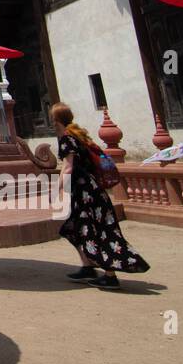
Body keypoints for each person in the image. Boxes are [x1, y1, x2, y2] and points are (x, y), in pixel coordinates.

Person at [51, 102, 149, 289]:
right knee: (73, 228)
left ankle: (110, 275)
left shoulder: (66, 138)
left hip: (85, 194)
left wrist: (57, 190)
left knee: (95, 230)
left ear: (56, 120)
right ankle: (88, 266)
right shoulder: (79, 136)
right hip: (90, 191)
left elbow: (68, 167)